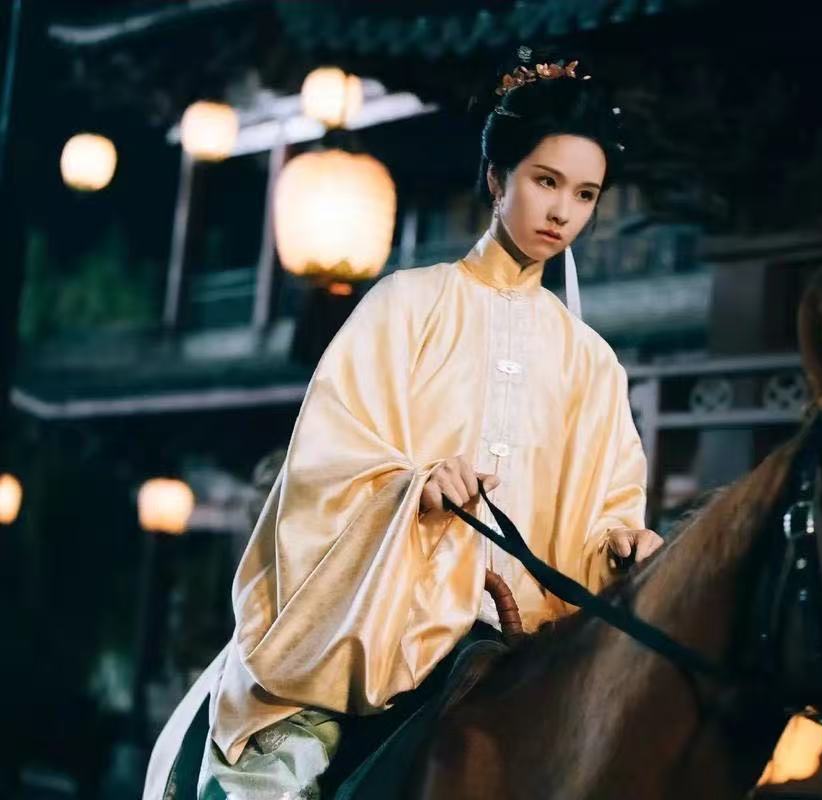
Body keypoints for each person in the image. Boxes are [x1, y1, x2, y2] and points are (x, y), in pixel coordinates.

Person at [142, 47, 663, 799]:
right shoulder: (405, 305)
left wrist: (619, 545)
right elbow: (324, 467)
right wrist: (412, 487)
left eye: (585, 194)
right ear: (497, 179)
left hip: (521, 644)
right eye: (545, 181)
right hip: (383, 623)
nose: (562, 212)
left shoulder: (592, 363)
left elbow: (604, 505)